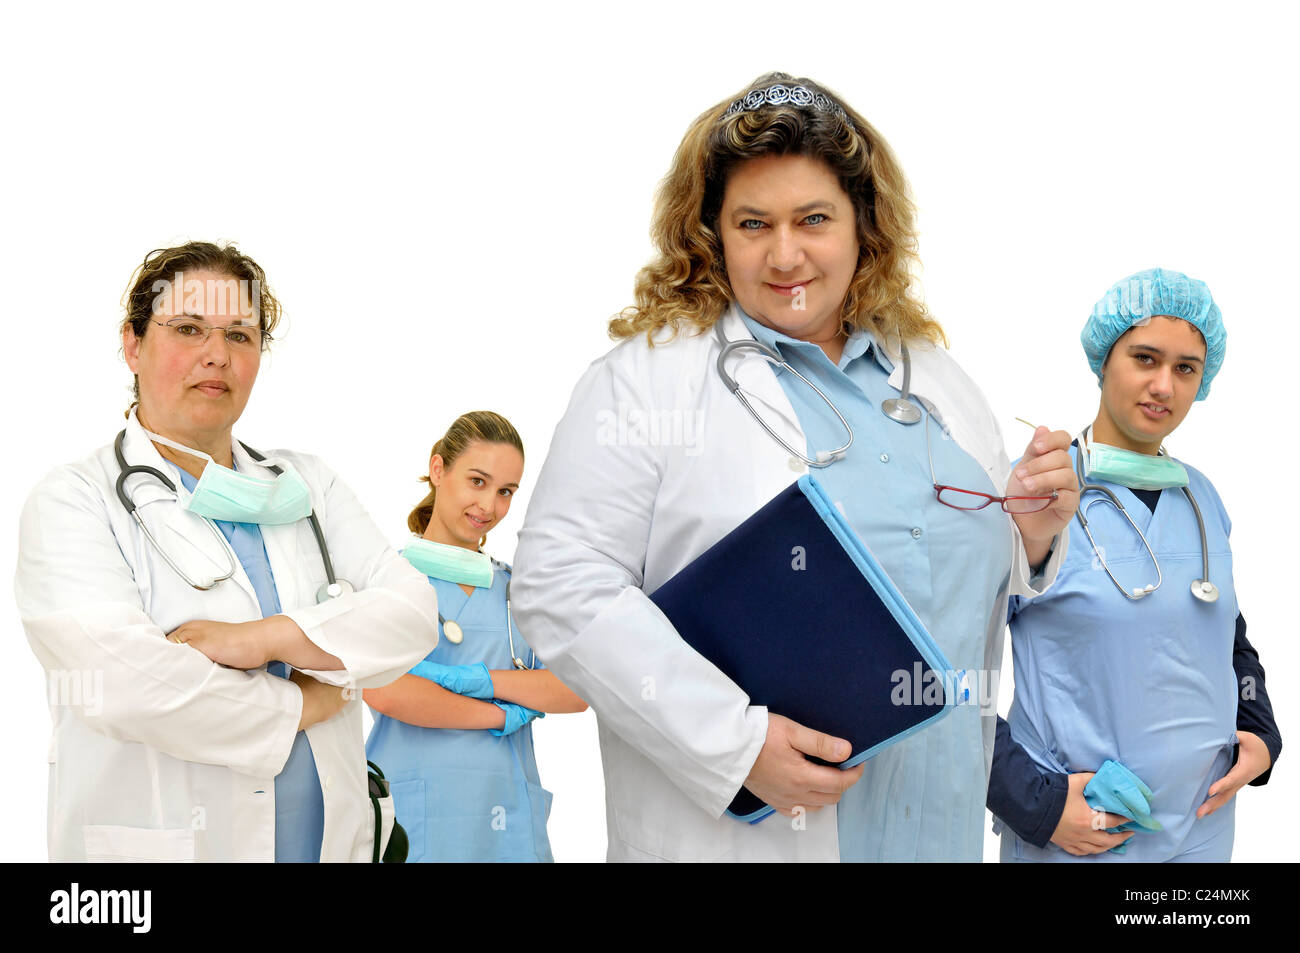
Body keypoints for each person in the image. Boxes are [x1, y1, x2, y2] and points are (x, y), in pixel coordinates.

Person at [510, 72, 1079, 862]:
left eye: (813, 218)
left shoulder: (937, 382)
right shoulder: (647, 379)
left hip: (937, 829)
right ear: (711, 232)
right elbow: (558, 581)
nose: (785, 254)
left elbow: (957, 581)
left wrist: (1034, 539)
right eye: (753, 223)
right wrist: (732, 745)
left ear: (862, 226)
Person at [15, 241, 440, 862]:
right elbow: (124, 687)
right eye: (188, 328)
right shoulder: (74, 500)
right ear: (133, 344)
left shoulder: (306, 484)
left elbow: (412, 613)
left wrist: (261, 639)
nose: (217, 355)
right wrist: (305, 700)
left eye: (240, 336)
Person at [989, 268, 1281, 862]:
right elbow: (943, 668)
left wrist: (1259, 727)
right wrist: (1032, 803)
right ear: (1103, 360)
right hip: (1082, 833)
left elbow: (1225, 632)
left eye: (1185, 368)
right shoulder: (1035, 496)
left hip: (1201, 828)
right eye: (1144, 358)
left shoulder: (1202, 499)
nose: (1163, 387)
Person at [364, 412, 587, 862]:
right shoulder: (388, 578)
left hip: (507, 816)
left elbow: (575, 688)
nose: (489, 506)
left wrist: (480, 681)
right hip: (416, 814)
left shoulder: (518, 590)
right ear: (438, 469)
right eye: (478, 481)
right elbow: (385, 691)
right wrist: (502, 716)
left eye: (506, 492)